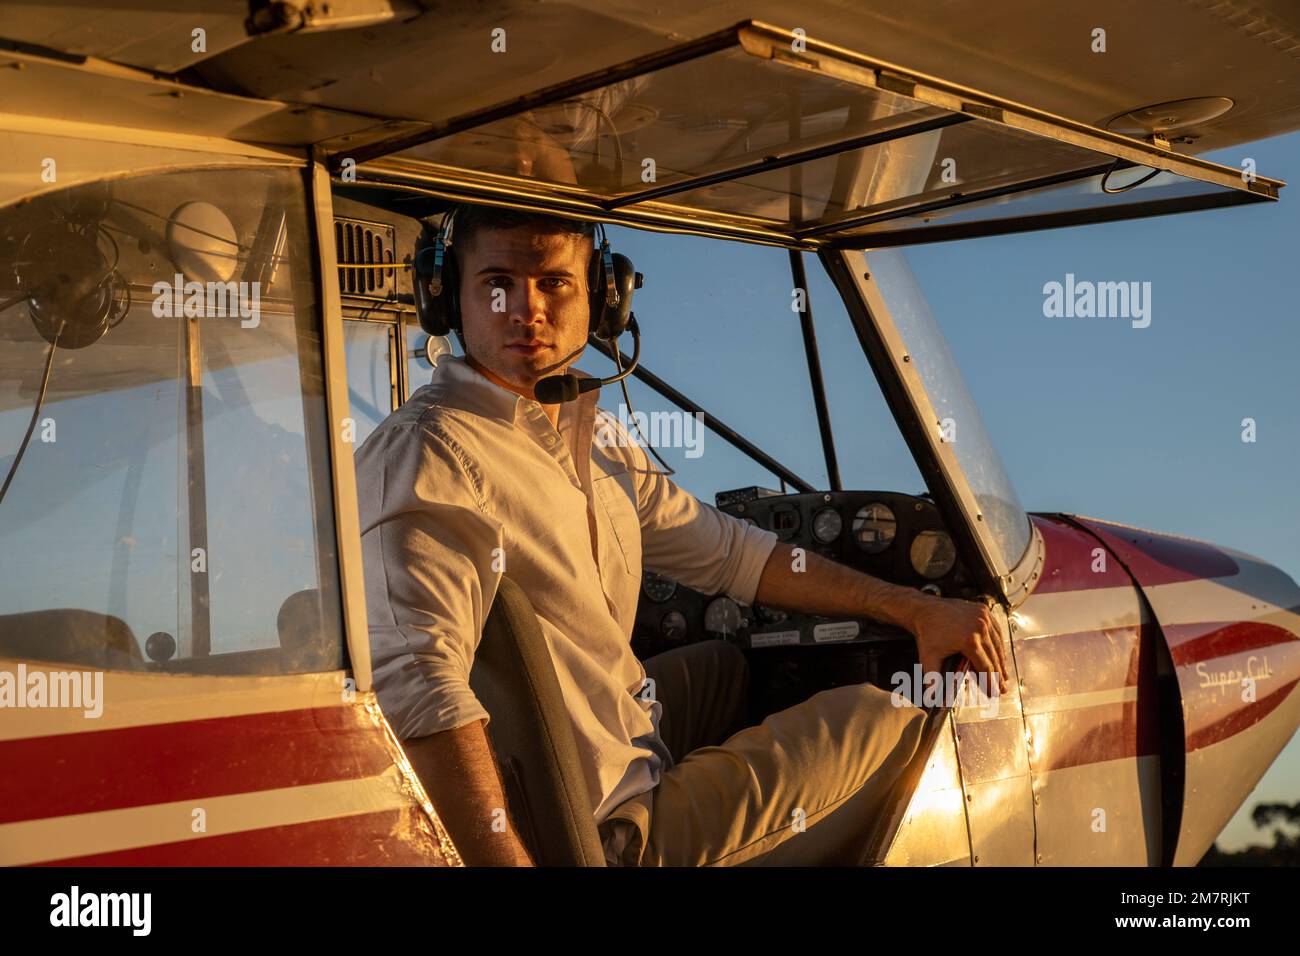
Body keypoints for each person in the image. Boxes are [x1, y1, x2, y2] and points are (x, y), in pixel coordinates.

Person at [354, 203, 1007, 866]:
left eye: (553, 283)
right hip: (597, 828)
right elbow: (418, 684)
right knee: (892, 715)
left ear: (602, 298)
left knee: (728, 668)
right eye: (497, 283)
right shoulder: (428, 454)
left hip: (610, 741)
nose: (526, 309)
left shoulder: (593, 438)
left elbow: (732, 557)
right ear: (446, 300)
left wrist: (914, 607)